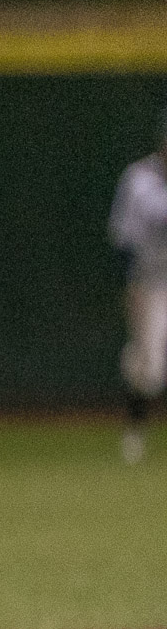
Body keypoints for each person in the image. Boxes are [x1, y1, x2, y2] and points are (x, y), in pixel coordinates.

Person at [110, 110, 167, 464]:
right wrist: (130, 287)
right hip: (152, 283)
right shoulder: (140, 179)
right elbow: (123, 239)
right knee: (148, 367)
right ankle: (134, 434)